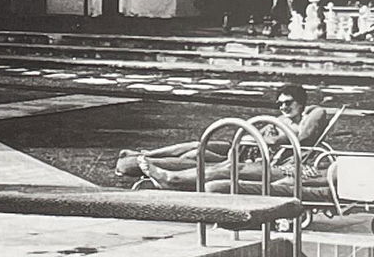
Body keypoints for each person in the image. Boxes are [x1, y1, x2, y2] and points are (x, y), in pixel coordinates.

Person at [122, 82, 334, 193]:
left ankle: (170, 178)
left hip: (280, 165)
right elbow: (261, 137)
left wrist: (274, 138)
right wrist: (266, 138)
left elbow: (303, 138)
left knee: (228, 167)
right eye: (280, 104)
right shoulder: (281, 119)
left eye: (288, 102)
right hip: (250, 152)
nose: (284, 107)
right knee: (198, 148)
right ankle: (145, 157)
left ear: (301, 102)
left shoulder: (314, 113)